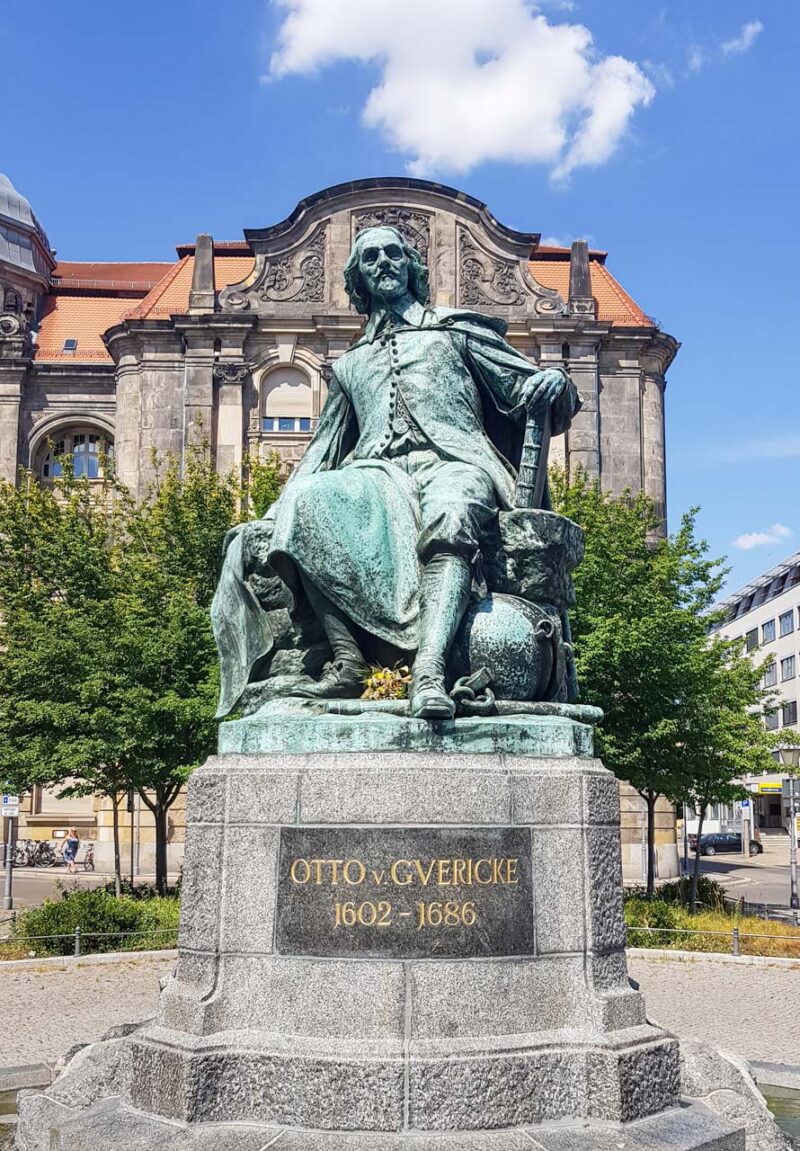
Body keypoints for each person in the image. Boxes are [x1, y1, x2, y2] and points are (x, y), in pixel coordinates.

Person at [213, 225, 580, 720]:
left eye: (393, 253)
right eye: (370, 258)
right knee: (304, 503)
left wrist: (556, 380)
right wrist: (271, 515)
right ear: (359, 279)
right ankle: (348, 664)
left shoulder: (455, 331)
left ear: (411, 266)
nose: (384, 262)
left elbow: (528, 389)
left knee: (451, 512)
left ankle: (427, 672)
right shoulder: (350, 365)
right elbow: (320, 453)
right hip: (377, 472)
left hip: (454, 463)